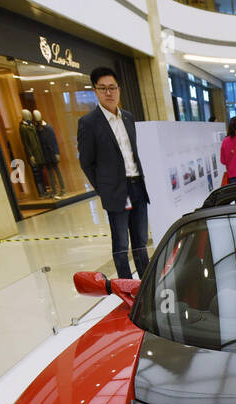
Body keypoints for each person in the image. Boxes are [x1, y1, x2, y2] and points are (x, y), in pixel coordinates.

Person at [78, 67, 151, 279]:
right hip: (116, 191)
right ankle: (126, 287)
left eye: (112, 88)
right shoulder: (89, 123)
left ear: (119, 89)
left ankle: (145, 283)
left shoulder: (127, 117)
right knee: (121, 243)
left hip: (137, 186)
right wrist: (104, 189)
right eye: (103, 88)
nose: (109, 93)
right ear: (95, 91)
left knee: (140, 241)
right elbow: (86, 162)